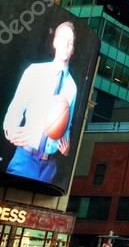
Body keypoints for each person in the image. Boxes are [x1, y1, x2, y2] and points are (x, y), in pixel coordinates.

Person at [3, 22, 78, 184]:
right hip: (25, 159)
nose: (66, 45)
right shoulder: (35, 72)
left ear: (72, 49)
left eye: (70, 43)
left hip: (49, 166)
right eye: (63, 40)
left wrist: (67, 149)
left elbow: (67, 126)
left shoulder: (72, 87)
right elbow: (16, 108)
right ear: (55, 42)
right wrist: (11, 129)